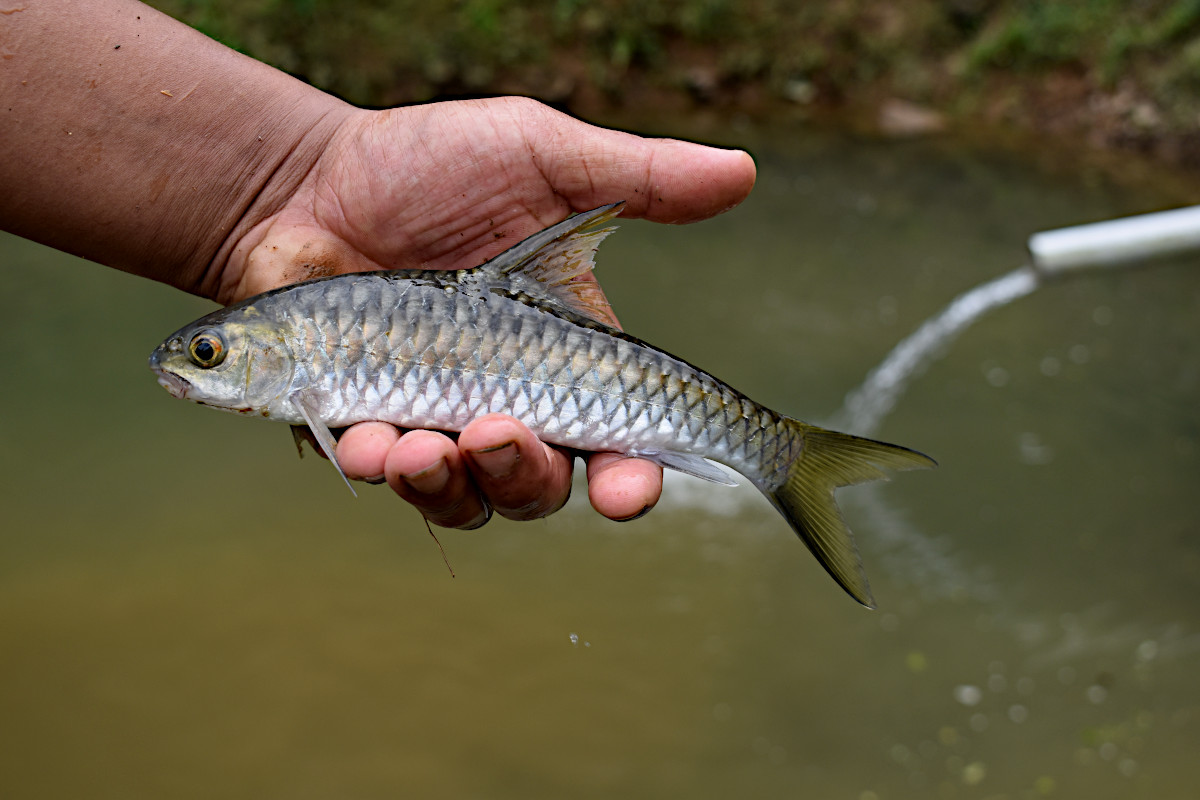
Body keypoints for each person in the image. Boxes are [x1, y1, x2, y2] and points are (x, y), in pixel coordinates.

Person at [0, 0, 756, 529]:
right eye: (207, 352)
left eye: (209, 353)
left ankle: (765, 451)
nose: (196, 363)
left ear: (273, 349)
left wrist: (286, 178)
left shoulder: (309, 327)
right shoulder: (309, 332)